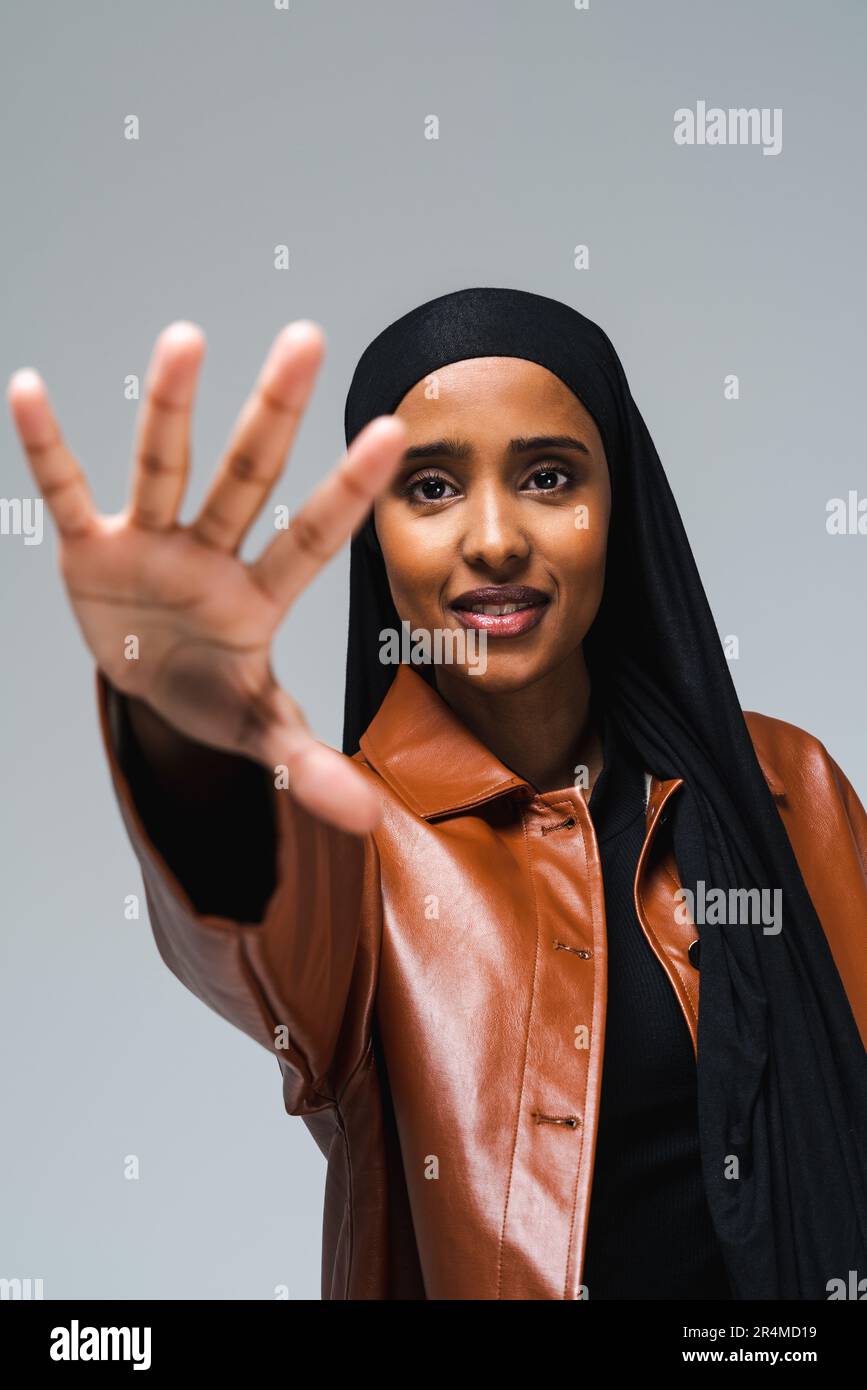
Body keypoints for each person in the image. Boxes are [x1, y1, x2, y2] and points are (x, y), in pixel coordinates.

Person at [8, 286, 867, 1302]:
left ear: (618, 501)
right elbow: (245, 926)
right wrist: (181, 726)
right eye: (430, 487)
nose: (496, 538)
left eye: (549, 476)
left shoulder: (783, 785)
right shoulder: (353, 841)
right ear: (374, 533)